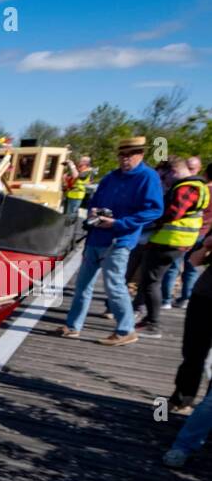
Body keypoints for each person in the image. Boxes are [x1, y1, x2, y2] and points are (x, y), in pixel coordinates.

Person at [60, 136, 164, 346]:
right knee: (82, 285)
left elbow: (154, 210)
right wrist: (94, 213)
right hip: (96, 237)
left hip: (119, 239)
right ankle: (73, 326)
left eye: (130, 154)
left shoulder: (148, 177)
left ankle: (126, 329)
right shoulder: (110, 177)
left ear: (141, 155)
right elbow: (94, 202)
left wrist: (119, 223)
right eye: (122, 154)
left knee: (114, 285)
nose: (125, 159)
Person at [134, 157, 208, 336]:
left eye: (165, 177)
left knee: (151, 282)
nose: (164, 181)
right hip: (179, 240)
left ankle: (153, 323)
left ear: (173, 171)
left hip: (169, 241)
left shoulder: (186, 187)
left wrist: (148, 220)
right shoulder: (201, 187)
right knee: (152, 280)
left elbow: (172, 213)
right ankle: (149, 319)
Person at [170, 235, 212, 414]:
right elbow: (194, 261)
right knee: (192, 351)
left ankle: (207, 409)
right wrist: (206, 245)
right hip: (204, 297)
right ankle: (181, 398)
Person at [165, 157, 208, 308]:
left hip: (197, 234)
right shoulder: (200, 187)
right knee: (174, 267)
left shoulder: (194, 187)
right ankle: (167, 298)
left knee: (189, 268)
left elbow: (175, 212)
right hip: (187, 233)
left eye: (193, 169)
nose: (189, 171)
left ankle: (185, 297)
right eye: (188, 167)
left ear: (200, 169)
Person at [62, 155, 93, 219]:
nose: (79, 161)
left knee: (71, 216)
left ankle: (70, 228)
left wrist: (72, 165)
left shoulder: (87, 171)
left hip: (77, 195)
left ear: (86, 163)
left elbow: (76, 176)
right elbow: (68, 177)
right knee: (66, 215)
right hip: (70, 194)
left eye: (81, 160)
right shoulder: (79, 170)